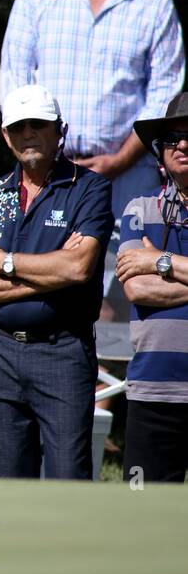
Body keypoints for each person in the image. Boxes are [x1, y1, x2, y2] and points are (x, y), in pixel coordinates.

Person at [0, 0, 184, 284]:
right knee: (43, 289)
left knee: (127, 297)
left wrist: (118, 160)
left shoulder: (156, 7)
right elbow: (14, 88)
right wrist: (39, 153)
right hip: (46, 174)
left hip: (130, 176)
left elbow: (165, 100)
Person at [0, 84, 114, 479]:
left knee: (67, 486)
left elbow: (79, 269)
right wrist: (51, 272)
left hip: (63, 352)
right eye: (19, 126)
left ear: (60, 130)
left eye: (39, 125)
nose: (29, 134)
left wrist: (1, 261)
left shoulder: (89, 188)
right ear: (6, 136)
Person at [114, 92, 188, 483]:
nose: (184, 145)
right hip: (154, 392)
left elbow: (149, 274)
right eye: (174, 137)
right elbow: (137, 289)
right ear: (160, 150)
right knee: (141, 524)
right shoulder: (140, 210)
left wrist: (161, 262)